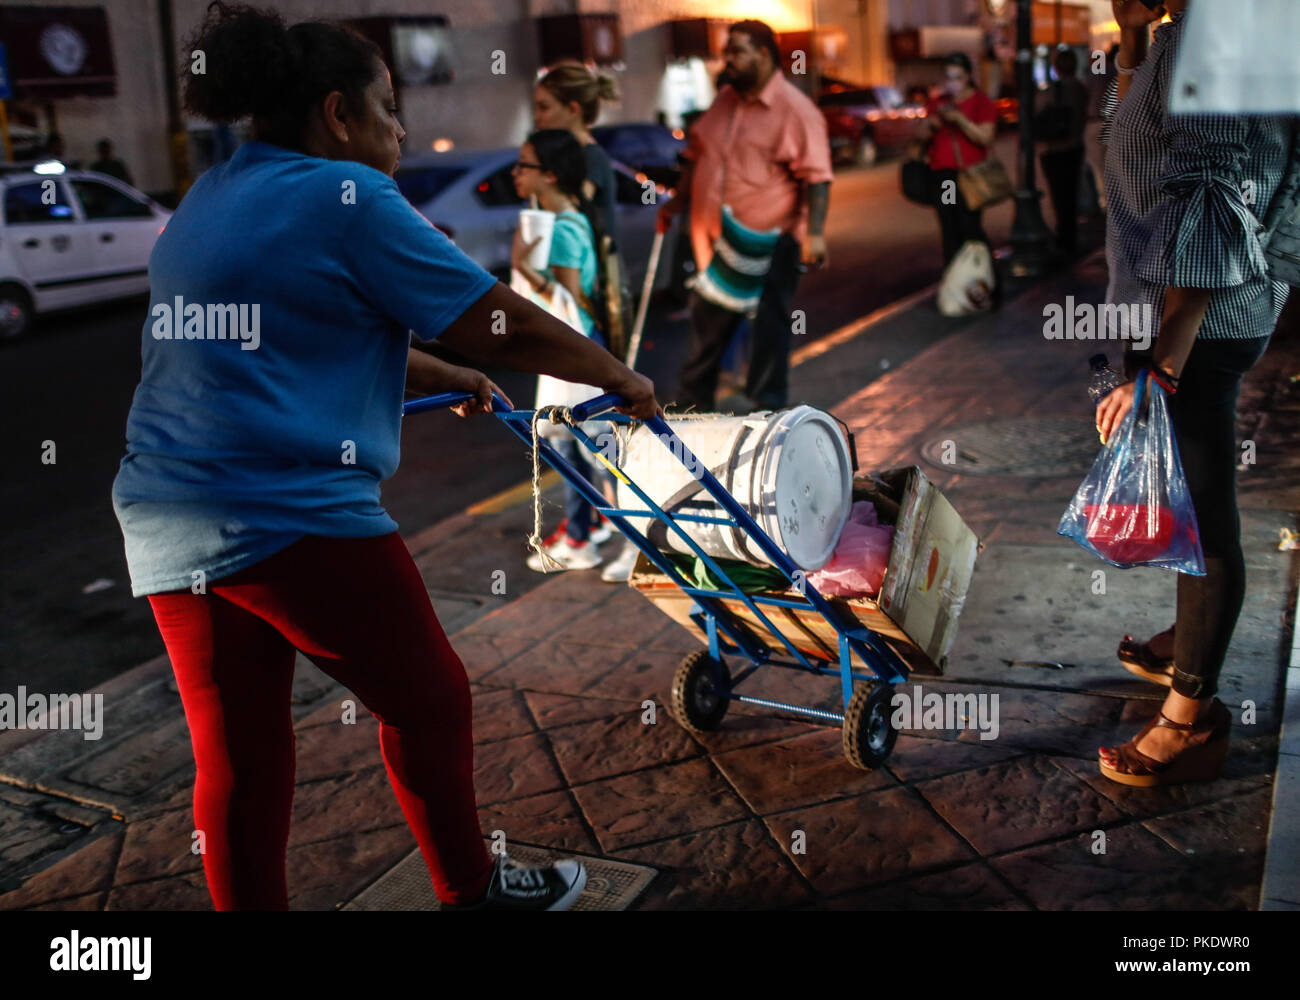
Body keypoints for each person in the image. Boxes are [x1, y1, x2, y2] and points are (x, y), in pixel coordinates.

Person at [111, 1, 658, 911]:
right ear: (336, 113)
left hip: (166, 520)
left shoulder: (214, 193)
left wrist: (438, 369)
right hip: (288, 516)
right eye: (388, 107)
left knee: (241, 755)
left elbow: (287, 334)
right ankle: (471, 890)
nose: (401, 130)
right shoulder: (346, 195)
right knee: (431, 700)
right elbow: (496, 317)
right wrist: (617, 374)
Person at [1093, 0, 1291, 786]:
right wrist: (1134, 44)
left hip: (1195, 318)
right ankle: (1190, 636)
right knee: (1184, 490)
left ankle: (1191, 717)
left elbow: (1216, 200)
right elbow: (1133, 140)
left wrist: (1161, 363)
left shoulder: (1220, 37)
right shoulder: (1191, 36)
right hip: (1177, 308)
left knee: (1205, 512)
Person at [657, 18, 832, 414]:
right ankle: (691, 406)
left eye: (736, 52)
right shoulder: (726, 100)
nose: (727, 60)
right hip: (717, 243)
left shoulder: (795, 110)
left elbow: (817, 178)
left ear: (764, 55)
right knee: (708, 324)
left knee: (768, 325)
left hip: (770, 241)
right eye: (726, 53)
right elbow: (696, 154)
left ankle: (767, 406)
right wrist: (676, 202)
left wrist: (815, 234)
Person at [510, 128, 616, 572]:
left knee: (602, 451)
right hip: (569, 356)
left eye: (524, 166)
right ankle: (581, 536)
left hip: (577, 353)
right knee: (577, 448)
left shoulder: (566, 227)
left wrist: (525, 270)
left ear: (549, 175)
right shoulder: (555, 219)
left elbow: (570, 303)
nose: (515, 174)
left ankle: (632, 542)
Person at [920, 53, 999, 294]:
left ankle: (987, 282)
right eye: (948, 77)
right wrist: (932, 125)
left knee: (971, 228)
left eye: (957, 77)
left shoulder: (980, 102)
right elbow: (919, 138)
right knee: (949, 227)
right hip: (944, 177)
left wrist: (960, 120)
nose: (952, 82)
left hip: (970, 175)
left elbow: (985, 137)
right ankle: (954, 284)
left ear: (967, 78)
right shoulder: (939, 103)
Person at [1034, 48, 1089, 255]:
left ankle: (1064, 239)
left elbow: (1038, 111)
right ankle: (1069, 236)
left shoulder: (1054, 90)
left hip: (1055, 149)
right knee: (1070, 195)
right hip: (1074, 146)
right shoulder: (1080, 88)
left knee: (1059, 196)